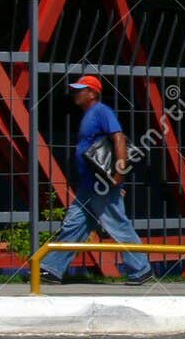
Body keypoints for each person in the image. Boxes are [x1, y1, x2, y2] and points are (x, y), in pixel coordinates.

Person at [38, 75, 154, 286]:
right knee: (74, 224)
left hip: (102, 185)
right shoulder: (90, 114)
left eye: (80, 89)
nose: (75, 93)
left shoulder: (101, 111)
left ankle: (141, 268)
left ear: (92, 93)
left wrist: (119, 173)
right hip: (90, 185)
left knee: (117, 224)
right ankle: (51, 269)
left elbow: (118, 137)